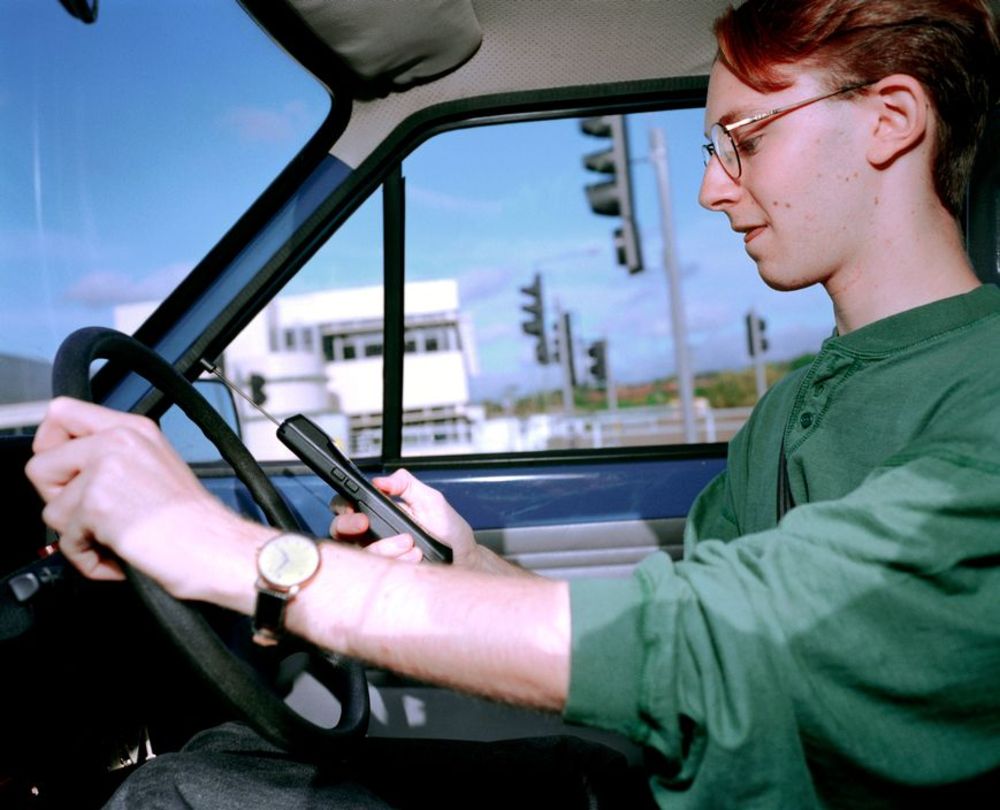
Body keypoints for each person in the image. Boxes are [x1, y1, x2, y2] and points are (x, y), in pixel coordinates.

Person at [24, 0, 1000, 806]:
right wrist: (467, 564)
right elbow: (651, 656)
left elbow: (715, 646)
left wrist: (242, 555)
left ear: (889, 120)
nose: (711, 186)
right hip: (652, 784)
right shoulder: (802, 402)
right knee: (224, 770)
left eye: (741, 140)